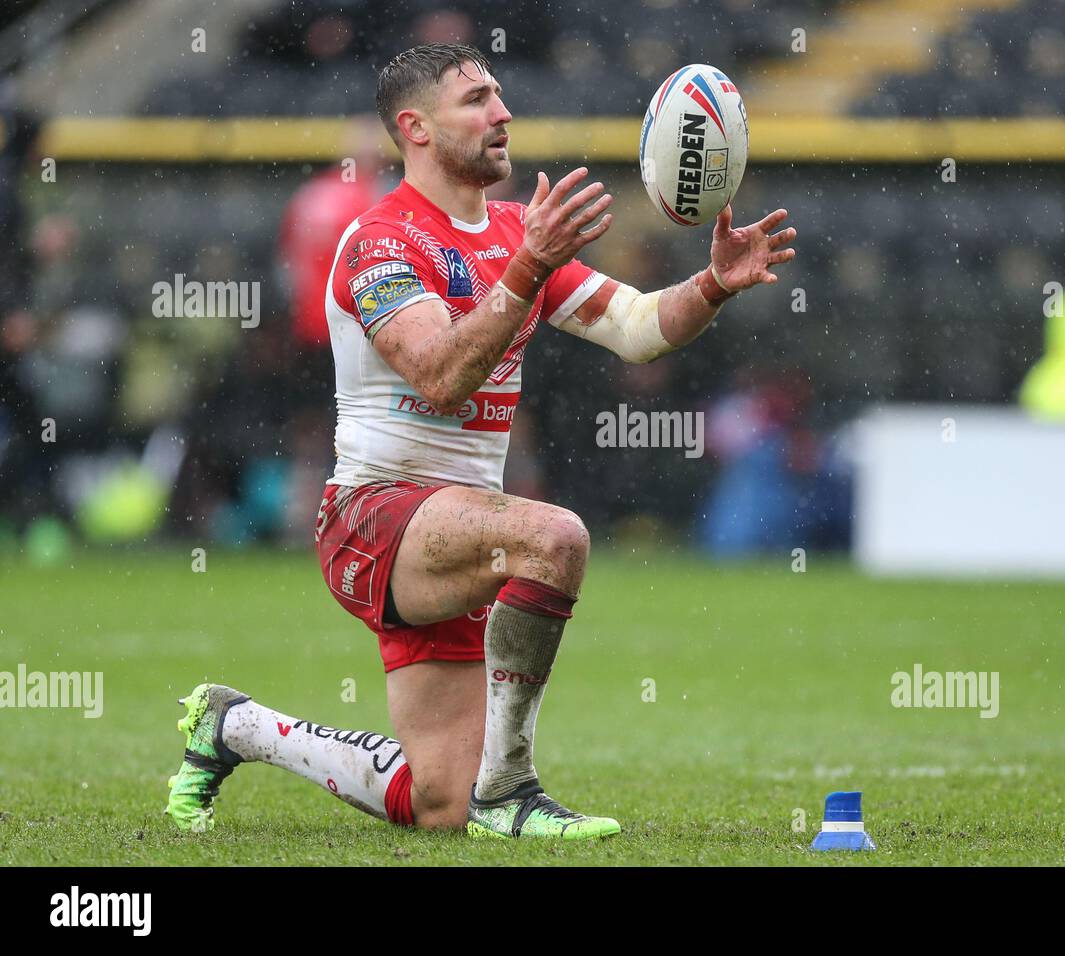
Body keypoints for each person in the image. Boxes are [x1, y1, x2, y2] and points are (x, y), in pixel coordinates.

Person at [164, 42, 796, 839]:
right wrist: (528, 266)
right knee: (554, 538)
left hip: (460, 529)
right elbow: (438, 375)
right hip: (375, 518)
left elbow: (639, 329)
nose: (502, 114)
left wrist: (712, 284)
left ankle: (236, 726)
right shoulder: (382, 242)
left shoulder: (508, 232)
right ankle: (514, 787)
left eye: (499, 95)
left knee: (440, 805)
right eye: (476, 100)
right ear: (415, 128)